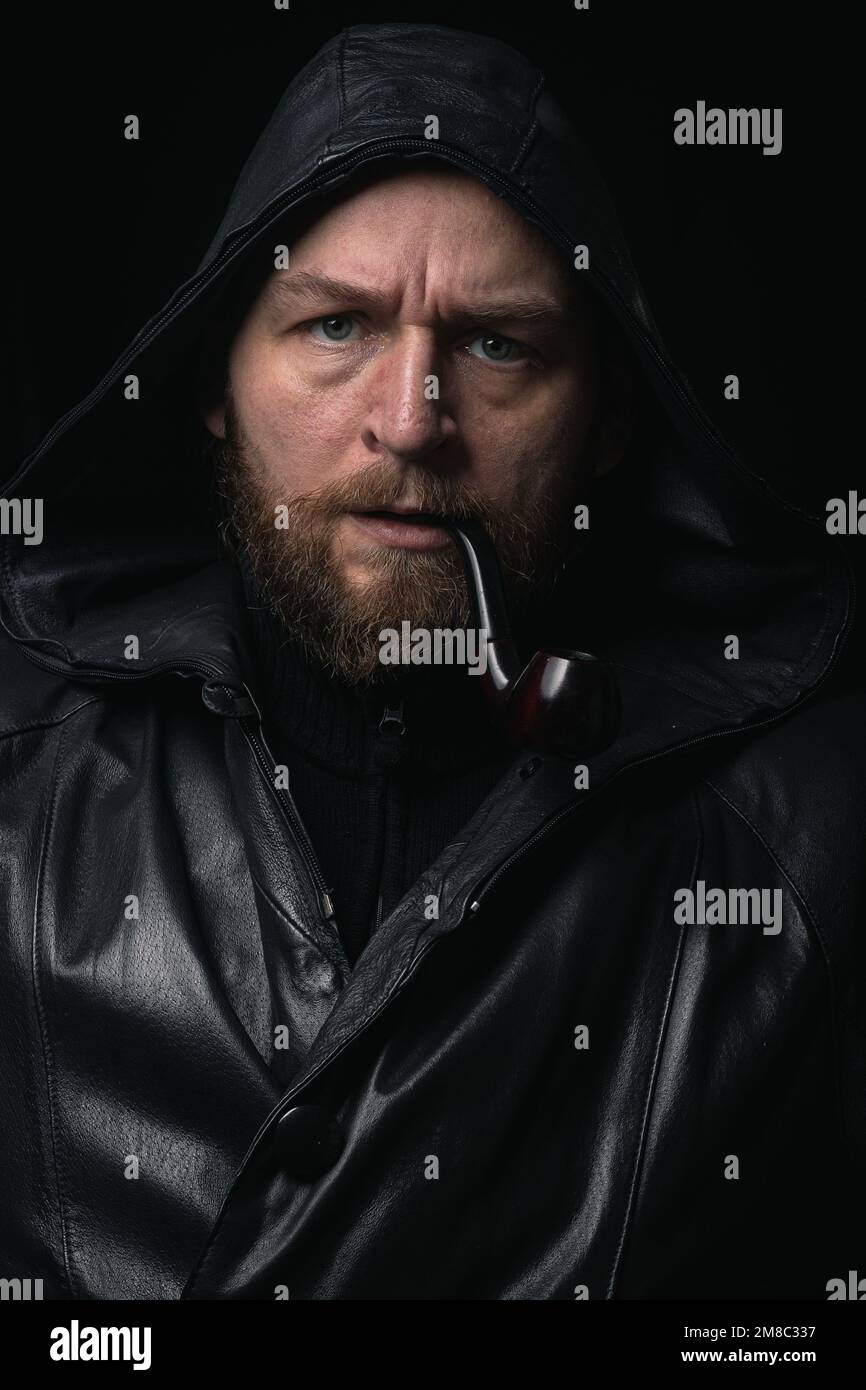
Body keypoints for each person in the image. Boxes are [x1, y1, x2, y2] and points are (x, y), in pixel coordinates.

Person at [1, 21, 862, 1302]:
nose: (411, 420)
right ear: (213, 384)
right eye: (336, 325)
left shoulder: (810, 835)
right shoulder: (18, 778)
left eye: (498, 345)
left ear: (609, 418)